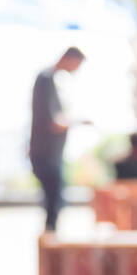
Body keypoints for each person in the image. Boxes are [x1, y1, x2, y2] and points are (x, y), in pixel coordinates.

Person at [29, 47, 85, 232]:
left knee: (56, 197)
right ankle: (50, 239)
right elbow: (53, 122)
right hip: (46, 152)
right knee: (54, 198)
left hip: (50, 152)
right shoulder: (46, 80)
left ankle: (51, 235)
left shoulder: (50, 80)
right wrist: (79, 121)